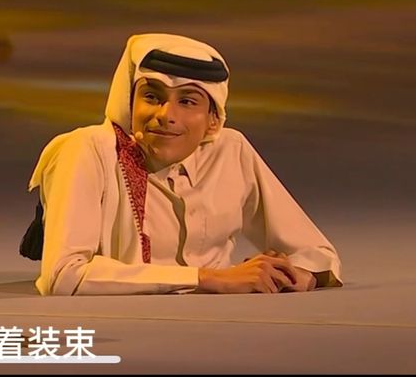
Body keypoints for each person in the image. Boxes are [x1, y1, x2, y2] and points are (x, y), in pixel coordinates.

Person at [26, 33, 342, 295]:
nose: (166, 115)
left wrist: (298, 275)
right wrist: (207, 278)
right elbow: (64, 275)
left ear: (213, 119)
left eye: (188, 102)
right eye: (152, 97)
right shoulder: (87, 151)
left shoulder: (230, 151)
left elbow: (317, 253)